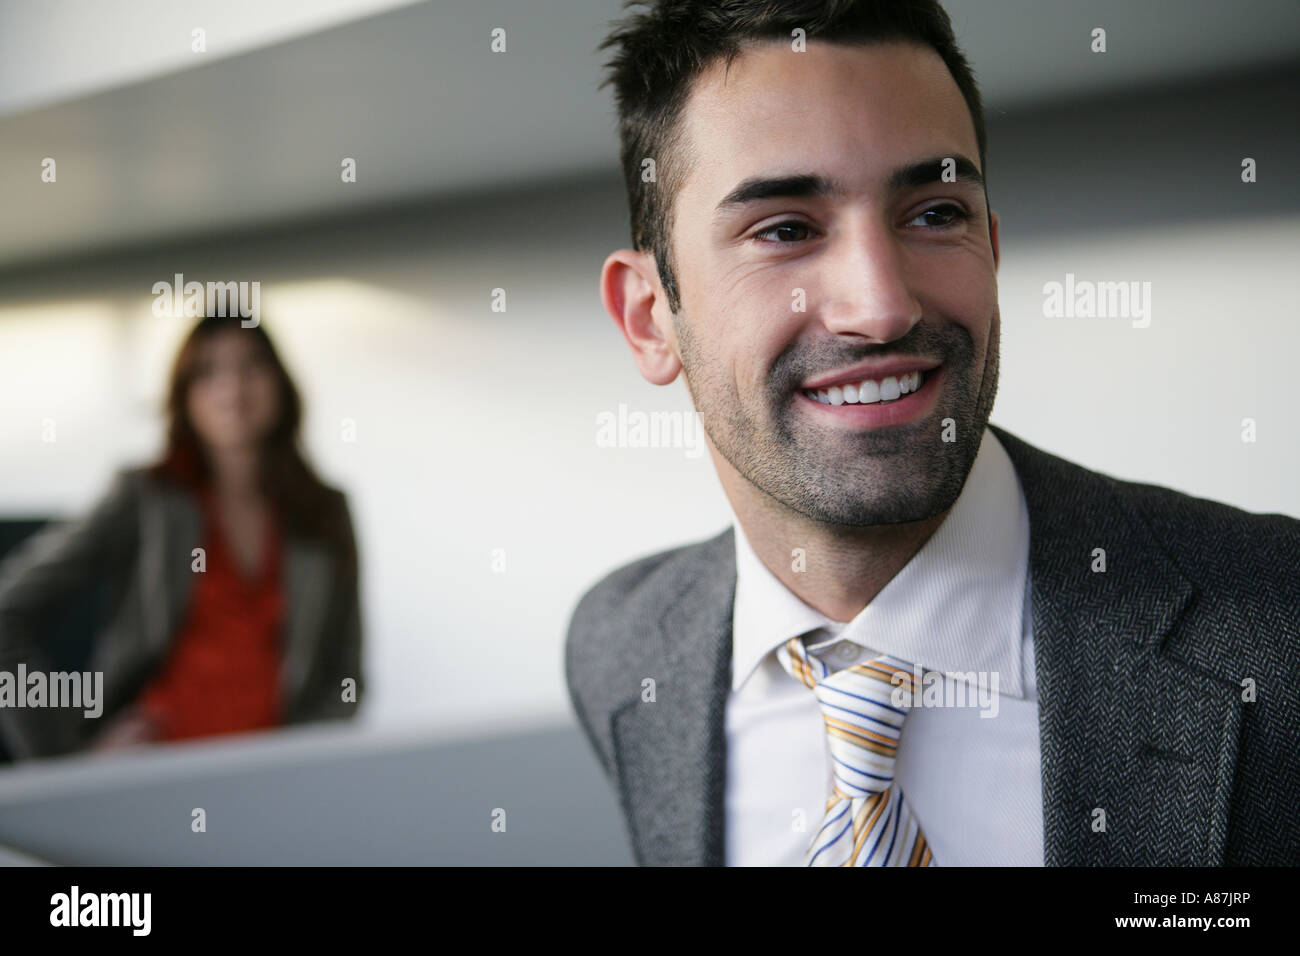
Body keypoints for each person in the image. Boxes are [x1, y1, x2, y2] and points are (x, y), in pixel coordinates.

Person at [565, 0, 1299, 866]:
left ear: (990, 247)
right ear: (650, 319)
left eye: (934, 214)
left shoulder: (1275, 627)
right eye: (786, 230)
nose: (882, 306)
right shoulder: (620, 650)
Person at [0, 314, 363, 759]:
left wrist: (298, 761)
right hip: (151, 778)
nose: (233, 388)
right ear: (184, 394)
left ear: (281, 383)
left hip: (272, 781)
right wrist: (64, 763)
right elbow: (6, 613)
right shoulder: (146, 498)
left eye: (251, 365)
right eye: (209, 372)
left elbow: (347, 677)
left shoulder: (324, 512)